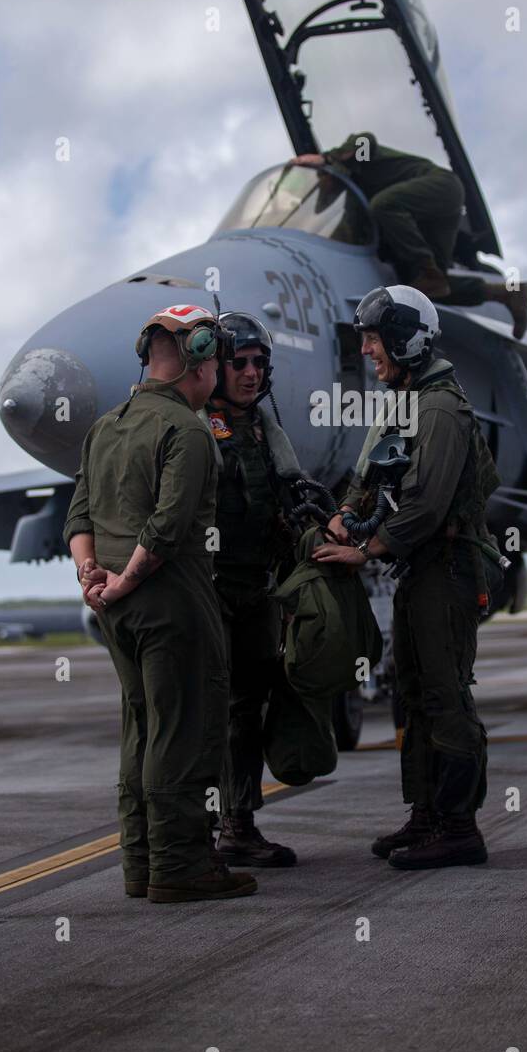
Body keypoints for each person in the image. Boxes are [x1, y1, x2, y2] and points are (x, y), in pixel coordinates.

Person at [63, 304, 257, 905]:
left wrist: (93, 580)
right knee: (183, 730)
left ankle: (139, 863)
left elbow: (79, 516)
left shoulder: (107, 425)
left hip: (117, 611)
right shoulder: (190, 431)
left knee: (141, 728)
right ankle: (180, 867)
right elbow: (169, 526)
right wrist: (124, 582)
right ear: (199, 360)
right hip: (172, 602)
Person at [313, 285, 498, 869]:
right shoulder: (402, 400)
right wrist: (344, 515)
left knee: (445, 694)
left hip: (448, 569)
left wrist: (366, 551)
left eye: (373, 338)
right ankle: (426, 816)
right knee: (413, 695)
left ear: (402, 338)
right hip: (419, 569)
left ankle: (460, 827)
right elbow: (368, 474)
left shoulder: (439, 407)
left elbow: (425, 505)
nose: (366, 349)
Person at [206, 313, 302, 868]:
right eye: (238, 362)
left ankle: (239, 824)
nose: (249, 372)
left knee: (249, 708)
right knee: (205, 708)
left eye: (258, 363)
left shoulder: (267, 425)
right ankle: (192, 831)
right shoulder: (192, 424)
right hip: (210, 590)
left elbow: (290, 492)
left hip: (257, 589)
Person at [292, 132, 527, 337]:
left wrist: (326, 158)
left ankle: (427, 269)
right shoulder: (355, 205)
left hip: (442, 186)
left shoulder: (359, 160)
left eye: (322, 177)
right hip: (427, 218)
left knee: (384, 205)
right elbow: (343, 233)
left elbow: (365, 141)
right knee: (427, 289)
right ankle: (509, 294)